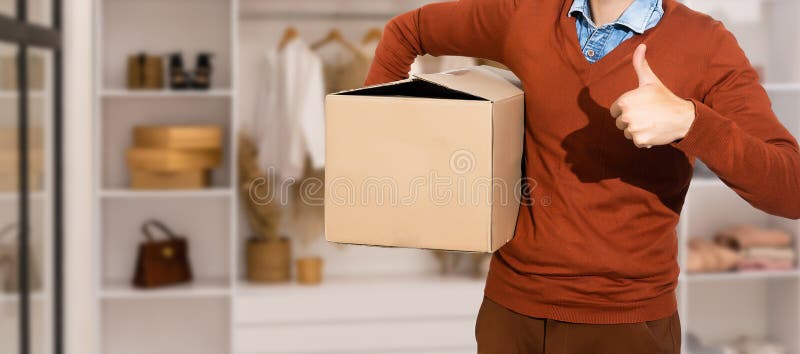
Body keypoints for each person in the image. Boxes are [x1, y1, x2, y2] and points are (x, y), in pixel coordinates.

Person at [364, 0, 800, 352]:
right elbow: (408, 31)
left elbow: (791, 188)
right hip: (510, 316)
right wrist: (377, 148)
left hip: (626, 327)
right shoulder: (525, 13)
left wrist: (691, 123)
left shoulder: (706, 45)